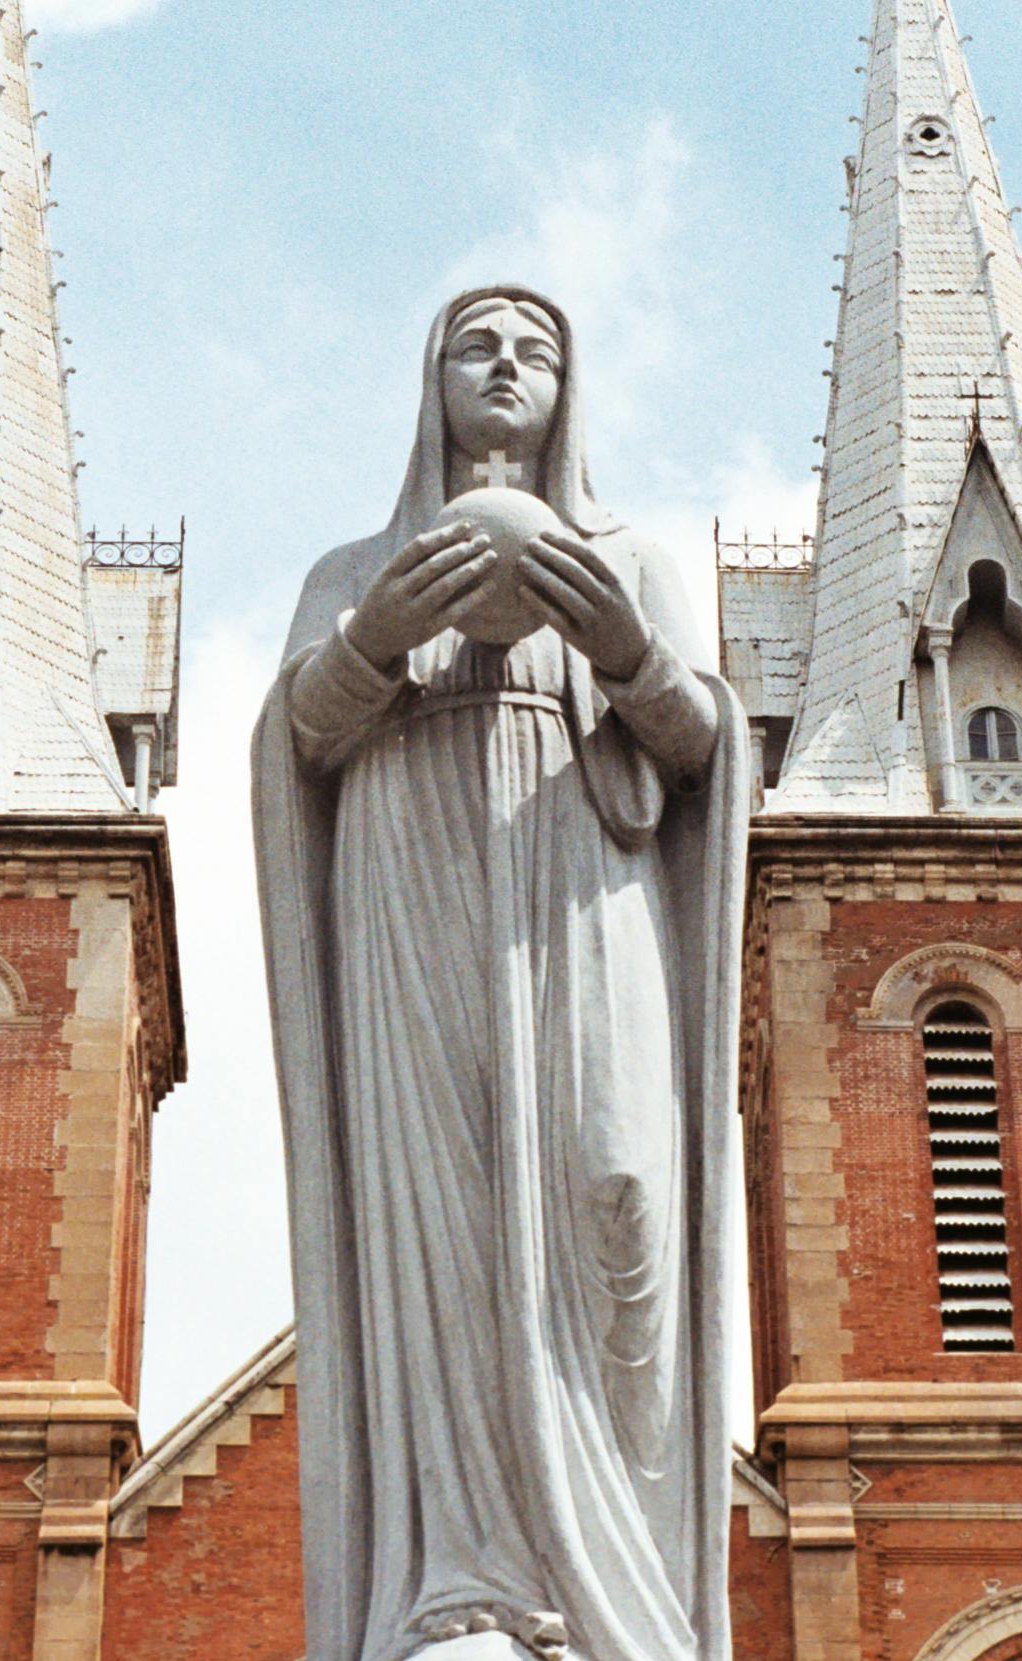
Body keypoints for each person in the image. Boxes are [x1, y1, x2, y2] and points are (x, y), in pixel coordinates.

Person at [253, 284, 751, 1661]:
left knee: (619, 1186)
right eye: (476, 344)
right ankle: (460, 1583)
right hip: (410, 891)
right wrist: (372, 638)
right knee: (442, 1218)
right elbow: (296, 739)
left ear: (569, 386)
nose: (506, 365)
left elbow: (706, 748)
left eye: (535, 348)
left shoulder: (630, 557)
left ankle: (621, 1600)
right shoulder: (355, 566)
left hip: (585, 887)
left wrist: (627, 651)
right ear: (433, 381)